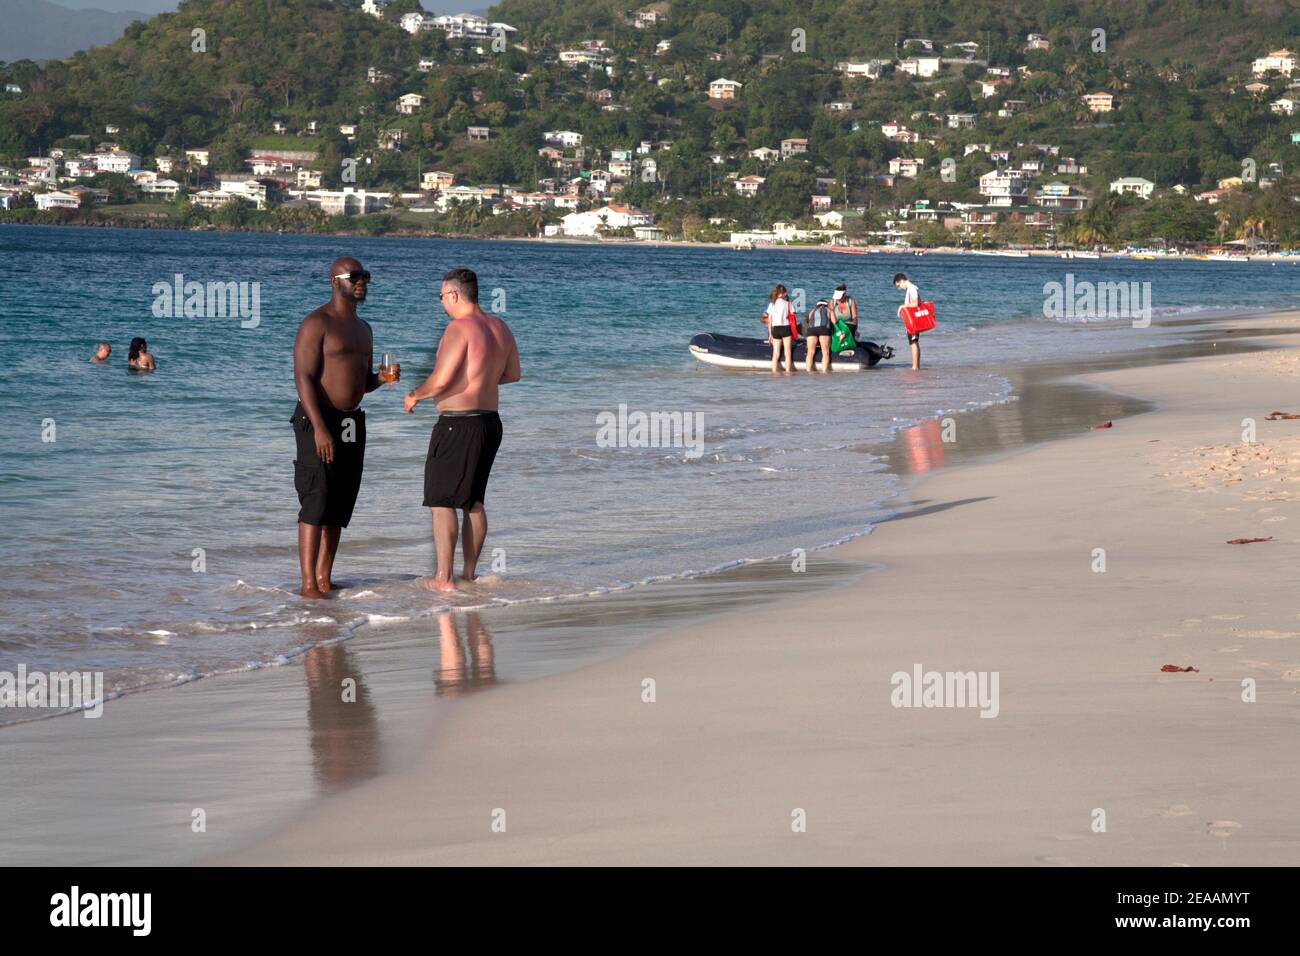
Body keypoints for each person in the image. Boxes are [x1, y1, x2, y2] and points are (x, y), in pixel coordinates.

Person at [405, 267, 520, 591]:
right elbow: (512, 374)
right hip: (489, 423)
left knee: (442, 501)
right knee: (473, 501)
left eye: (441, 296)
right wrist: (479, 378)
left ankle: (443, 578)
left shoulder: (459, 329)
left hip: (458, 424)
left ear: (454, 295)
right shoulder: (500, 327)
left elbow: (441, 379)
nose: (441, 302)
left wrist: (415, 394)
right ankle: (468, 575)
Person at [291, 256, 392, 599]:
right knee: (317, 500)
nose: (362, 281)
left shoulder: (364, 329)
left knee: (340, 502)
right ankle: (307, 585)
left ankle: (324, 578)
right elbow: (303, 378)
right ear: (336, 281)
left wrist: (381, 378)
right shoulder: (316, 323)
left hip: (351, 420)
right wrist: (319, 427)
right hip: (317, 417)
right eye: (355, 277)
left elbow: (362, 383)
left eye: (365, 275)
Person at [762, 284, 794, 374]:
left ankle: (774, 372)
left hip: (775, 329)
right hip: (786, 328)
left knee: (776, 353)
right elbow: (792, 317)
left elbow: (769, 320)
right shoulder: (788, 304)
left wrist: (770, 334)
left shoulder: (772, 304)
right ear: (784, 293)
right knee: (787, 353)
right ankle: (787, 372)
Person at [894, 272, 923, 370]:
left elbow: (915, 304)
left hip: (914, 321)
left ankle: (915, 367)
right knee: (913, 343)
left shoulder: (912, 289)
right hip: (912, 321)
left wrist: (902, 306)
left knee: (913, 343)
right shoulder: (911, 289)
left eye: (899, 286)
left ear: (901, 281)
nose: (899, 288)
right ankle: (916, 366)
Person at [804, 297, 834, 373]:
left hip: (811, 330)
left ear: (817, 305)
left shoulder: (812, 311)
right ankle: (824, 372)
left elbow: (808, 322)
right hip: (824, 329)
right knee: (825, 352)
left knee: (810, 352)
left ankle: (808, 371)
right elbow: (834, 322)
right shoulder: (829, 310)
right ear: (826, 305)